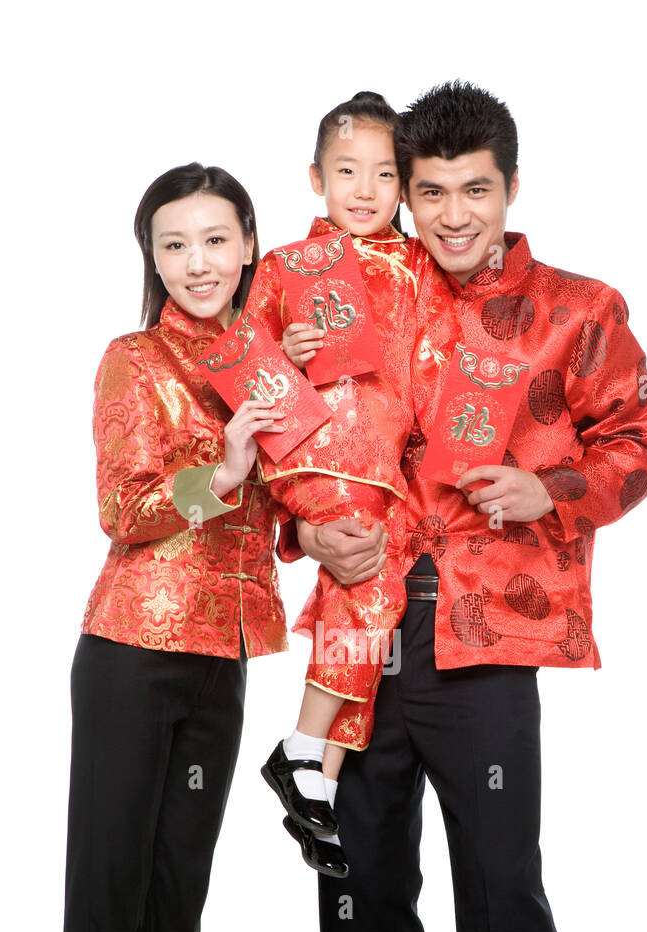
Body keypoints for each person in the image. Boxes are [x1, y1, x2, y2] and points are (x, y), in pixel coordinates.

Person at [275, 81, 647, 932]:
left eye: (470, 190)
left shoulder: (574, 310)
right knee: (355, 887)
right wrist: (305, 530)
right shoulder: (365, 292)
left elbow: (641, 442)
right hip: (358, 634)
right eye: (426, 189)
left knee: (501, 904)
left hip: (485, 644)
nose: (447, 214)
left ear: (509, 186)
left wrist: (547, 489)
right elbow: (301, 436)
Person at [63, 162, 289, 932]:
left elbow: (279, 527)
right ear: (152, 259)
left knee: (175, 895)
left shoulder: (272, 367)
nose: (196, 263)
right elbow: (122, 508)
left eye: (214, 240)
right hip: (133, 652)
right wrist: (225, 473)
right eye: (173, 245)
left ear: (248, 243)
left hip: (223, 654)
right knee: (110, 890)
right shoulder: (133, 359)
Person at [246, 92, 422, 878]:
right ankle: (306, 756)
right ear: (317, 176)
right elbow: (239, 361)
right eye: (347, 170)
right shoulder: (286, 266)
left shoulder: (420, 266)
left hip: (387, 474)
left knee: (373, 592)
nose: (364, 188)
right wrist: (284, 346)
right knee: (369, 574)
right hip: (314, 456)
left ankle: (314, 769)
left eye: (384, 174)